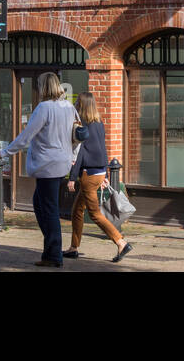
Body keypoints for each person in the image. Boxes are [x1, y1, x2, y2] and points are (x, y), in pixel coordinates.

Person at [0, 71, 78, 267]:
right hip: (61, 163)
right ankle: (50, 251)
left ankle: (53, 255)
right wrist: (73, 157)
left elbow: (27, 135)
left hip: (47, 165)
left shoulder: (44, 108)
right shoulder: (68, 107)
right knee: (40, 204)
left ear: (43, 87)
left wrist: (6, 151)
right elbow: (79, 135)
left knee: (49, 209)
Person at [64, 92, 132, 263]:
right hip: (99, 172)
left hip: (89, 174)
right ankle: (73, 248)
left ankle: (121, 242)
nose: (76, 104)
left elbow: (79, 153)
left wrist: (72, 178)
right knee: (77, 211)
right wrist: (106, 175)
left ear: (82, 105)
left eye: (78, 101)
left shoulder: (82, 126)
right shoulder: (99, 124)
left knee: (94, 214)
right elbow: (103, 149)